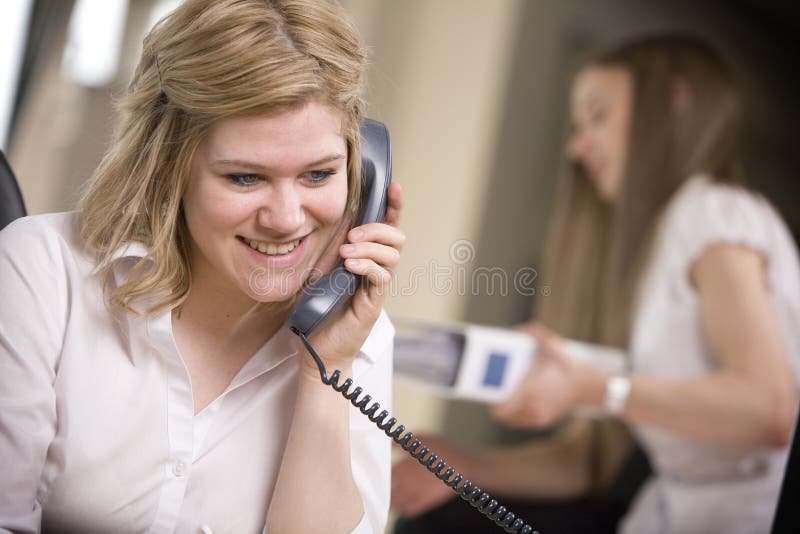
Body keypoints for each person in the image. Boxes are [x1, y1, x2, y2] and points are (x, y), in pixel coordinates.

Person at [0, 0, 405, 532]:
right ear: (167, 166)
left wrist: (325, 369)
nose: (286, 219)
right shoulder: (43, 269)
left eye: (317, 175)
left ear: (362, 171)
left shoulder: (356, 338)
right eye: (245, 178)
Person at [392, 33, 800, 534]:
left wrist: (593, 388)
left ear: (673, 103)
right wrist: (462, 465)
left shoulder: (714, 213)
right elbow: (588, 463)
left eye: (598, 117)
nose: (576, 146)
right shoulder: (664, 244)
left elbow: (768, 411)